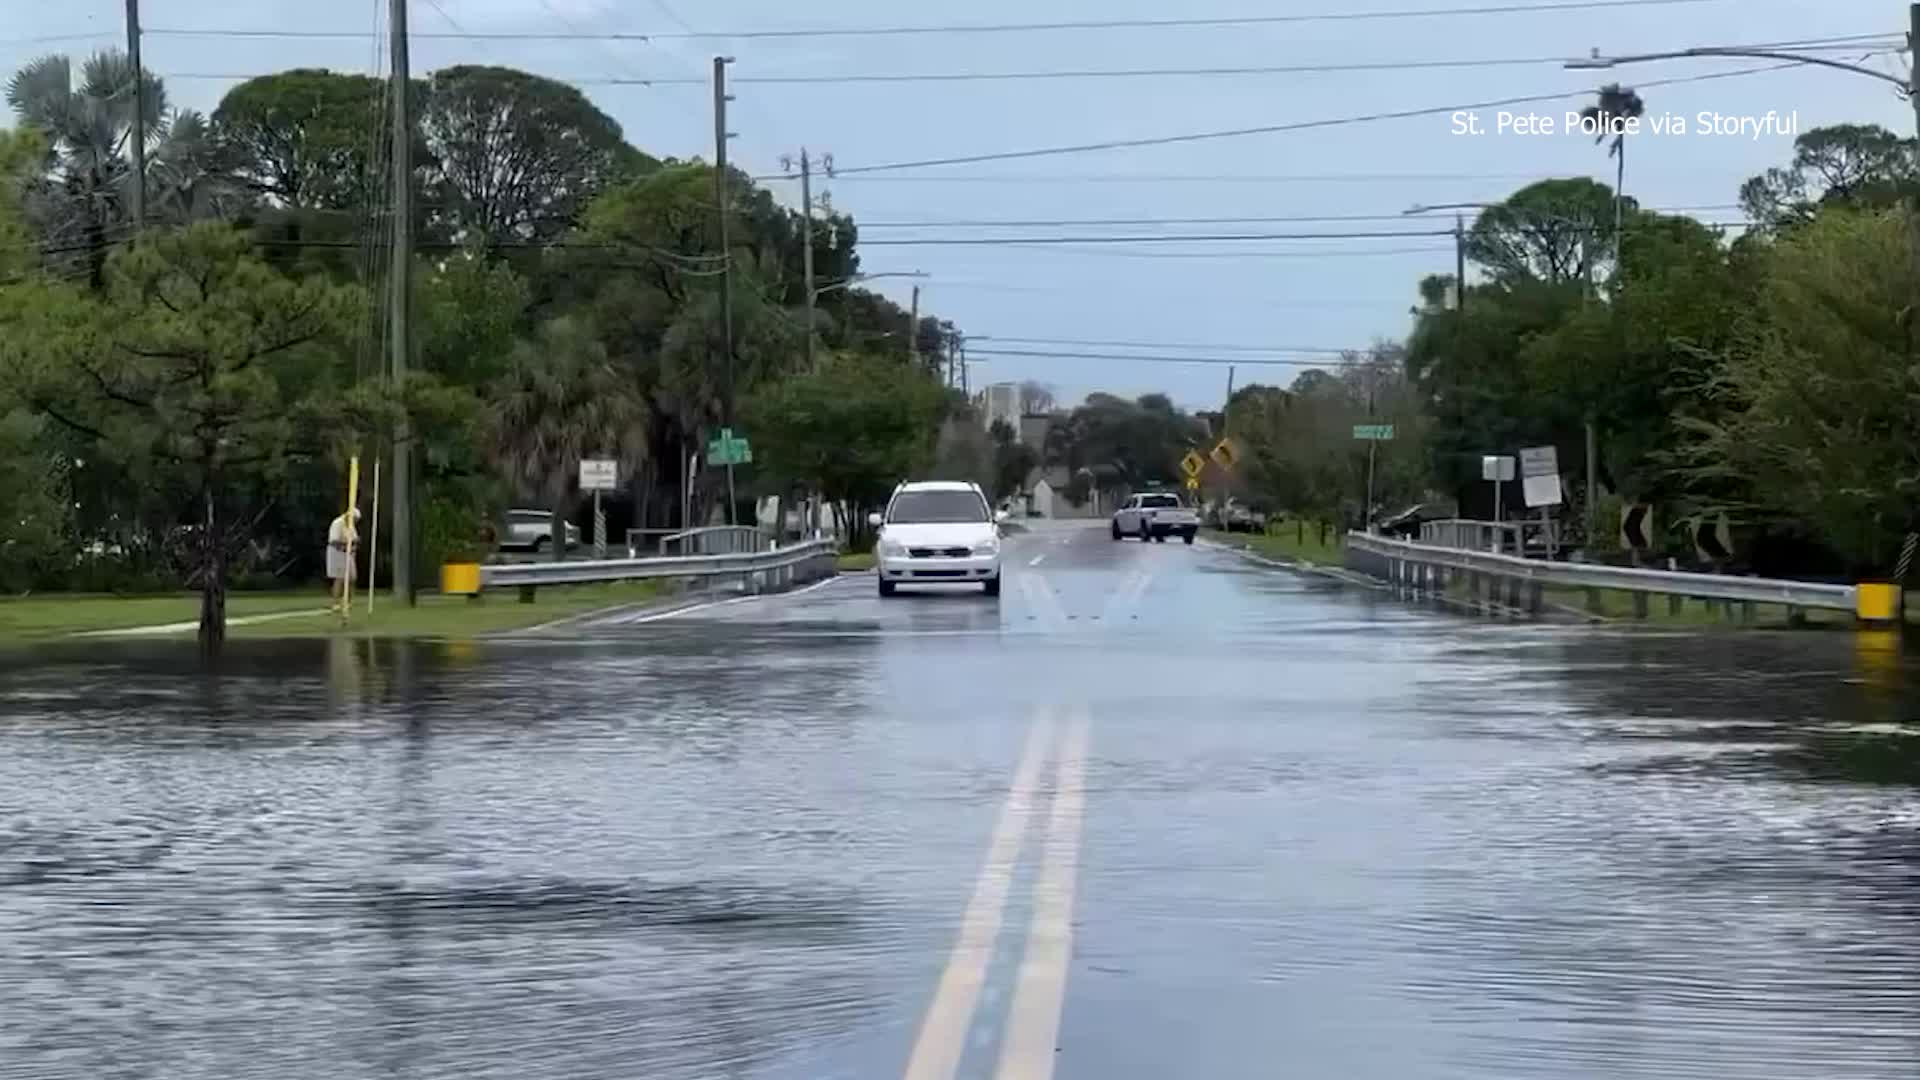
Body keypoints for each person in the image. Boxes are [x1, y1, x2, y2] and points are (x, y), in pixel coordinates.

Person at [327, 508, 361, 612]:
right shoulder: (337, 523)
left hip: (348, 554)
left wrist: (354, 543)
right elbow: (334, 541)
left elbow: (355, 539)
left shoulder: (350, 525)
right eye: (354, 519)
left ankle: (348, 602)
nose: (355, 522)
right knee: (339, 578)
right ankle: (335, 603)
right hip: (337, 553)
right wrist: (346, 545)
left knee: (352, 578)